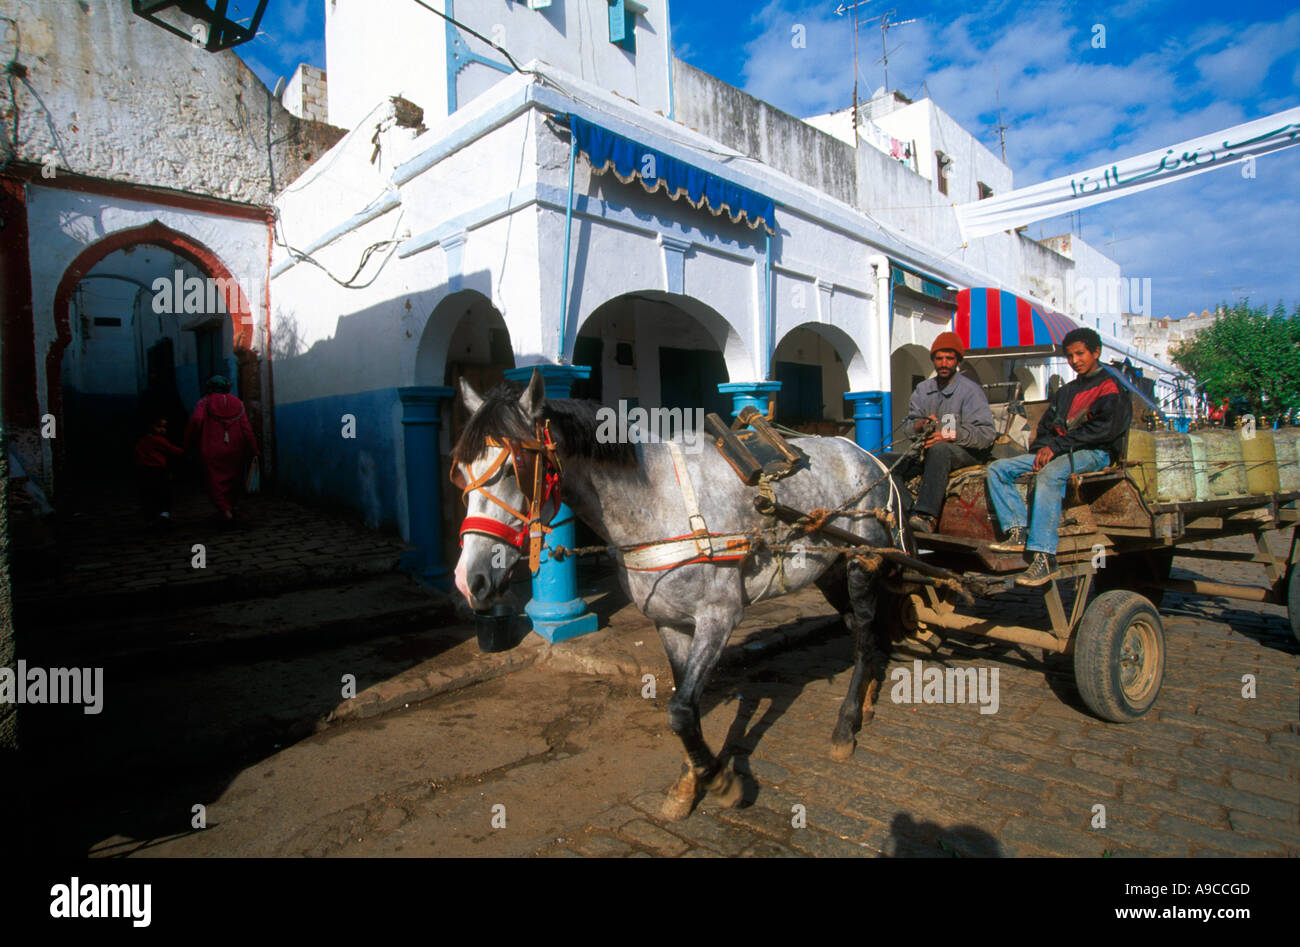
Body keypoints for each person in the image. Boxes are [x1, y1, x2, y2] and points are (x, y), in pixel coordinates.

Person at [986, 327, 1132, 586]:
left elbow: (1104, 429)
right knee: (997, 469)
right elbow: (1046, 427)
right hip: (1060, 450)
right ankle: (1017, 530)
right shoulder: (1066, 391)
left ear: (1096, 352)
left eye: (1080, 354)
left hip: (1095, 453)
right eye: (1070, 356)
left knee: (1050, 475)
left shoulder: (1111, 386)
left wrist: (1056, 448)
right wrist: (1045, 448)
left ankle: (1044, 556)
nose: (1075, 361)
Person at [900, 331, 997, 534]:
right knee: (885, 460)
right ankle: (904, 510)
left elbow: (986, 435)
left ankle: (927, 515)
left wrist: (950, 434)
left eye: (949, 358)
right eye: (939, 358)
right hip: (927, 453)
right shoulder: (922, 389)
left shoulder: (971, 391)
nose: (944, 363)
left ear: (957, 361)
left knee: (941, 449)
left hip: (965, 454)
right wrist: (920, 425)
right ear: (934, 360)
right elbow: (909, 425)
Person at [185, 375, 258, 522]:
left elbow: (196, 421)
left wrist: (188, 443)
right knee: (233, 479)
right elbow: (246, 429)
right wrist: (254, 449)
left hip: (211, 449)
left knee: (214, 480)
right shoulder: (238, 403)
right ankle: (230, 507)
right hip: (235, 449)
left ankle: (225, 511)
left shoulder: (204, 402)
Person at [134, 415, 183, 522]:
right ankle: (164, 515)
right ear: (151, 426)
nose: (162, 429)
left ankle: (152, 515)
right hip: (158, 470)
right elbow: (172, 449)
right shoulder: (159, 440)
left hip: (144, 471)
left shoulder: (142, 440)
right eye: (159, 426)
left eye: (164, 427)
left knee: (150, 494)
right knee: (164, 492)